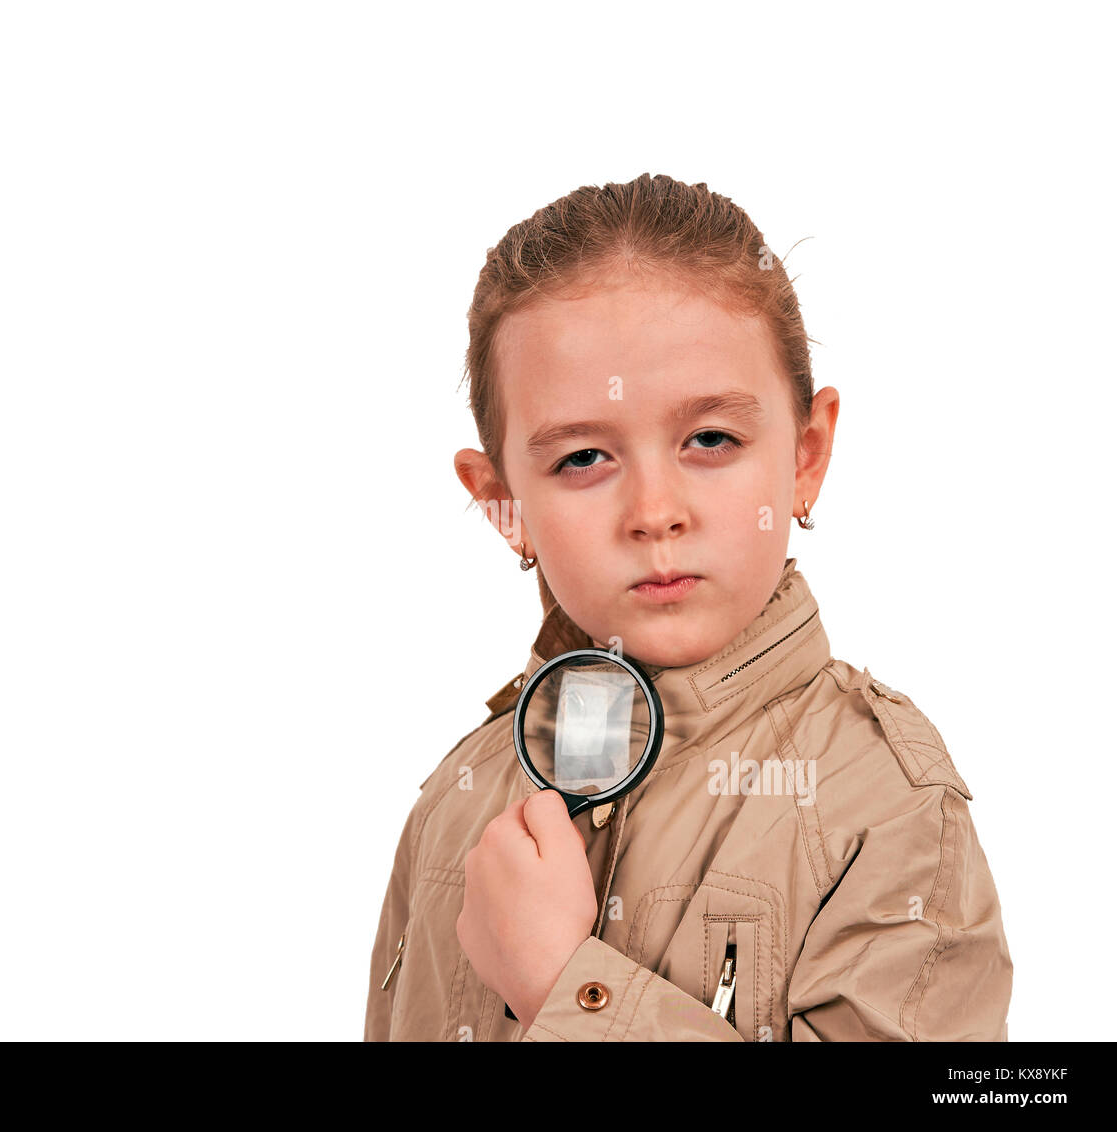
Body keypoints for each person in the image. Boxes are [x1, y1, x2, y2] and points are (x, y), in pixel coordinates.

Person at [363, 173, 1012, 1041]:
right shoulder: (458, 799)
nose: (654, 511)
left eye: (711, 439)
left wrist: (568, 987)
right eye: (584, 458)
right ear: (502, 502)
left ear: (806, 456)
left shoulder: (886, 803)